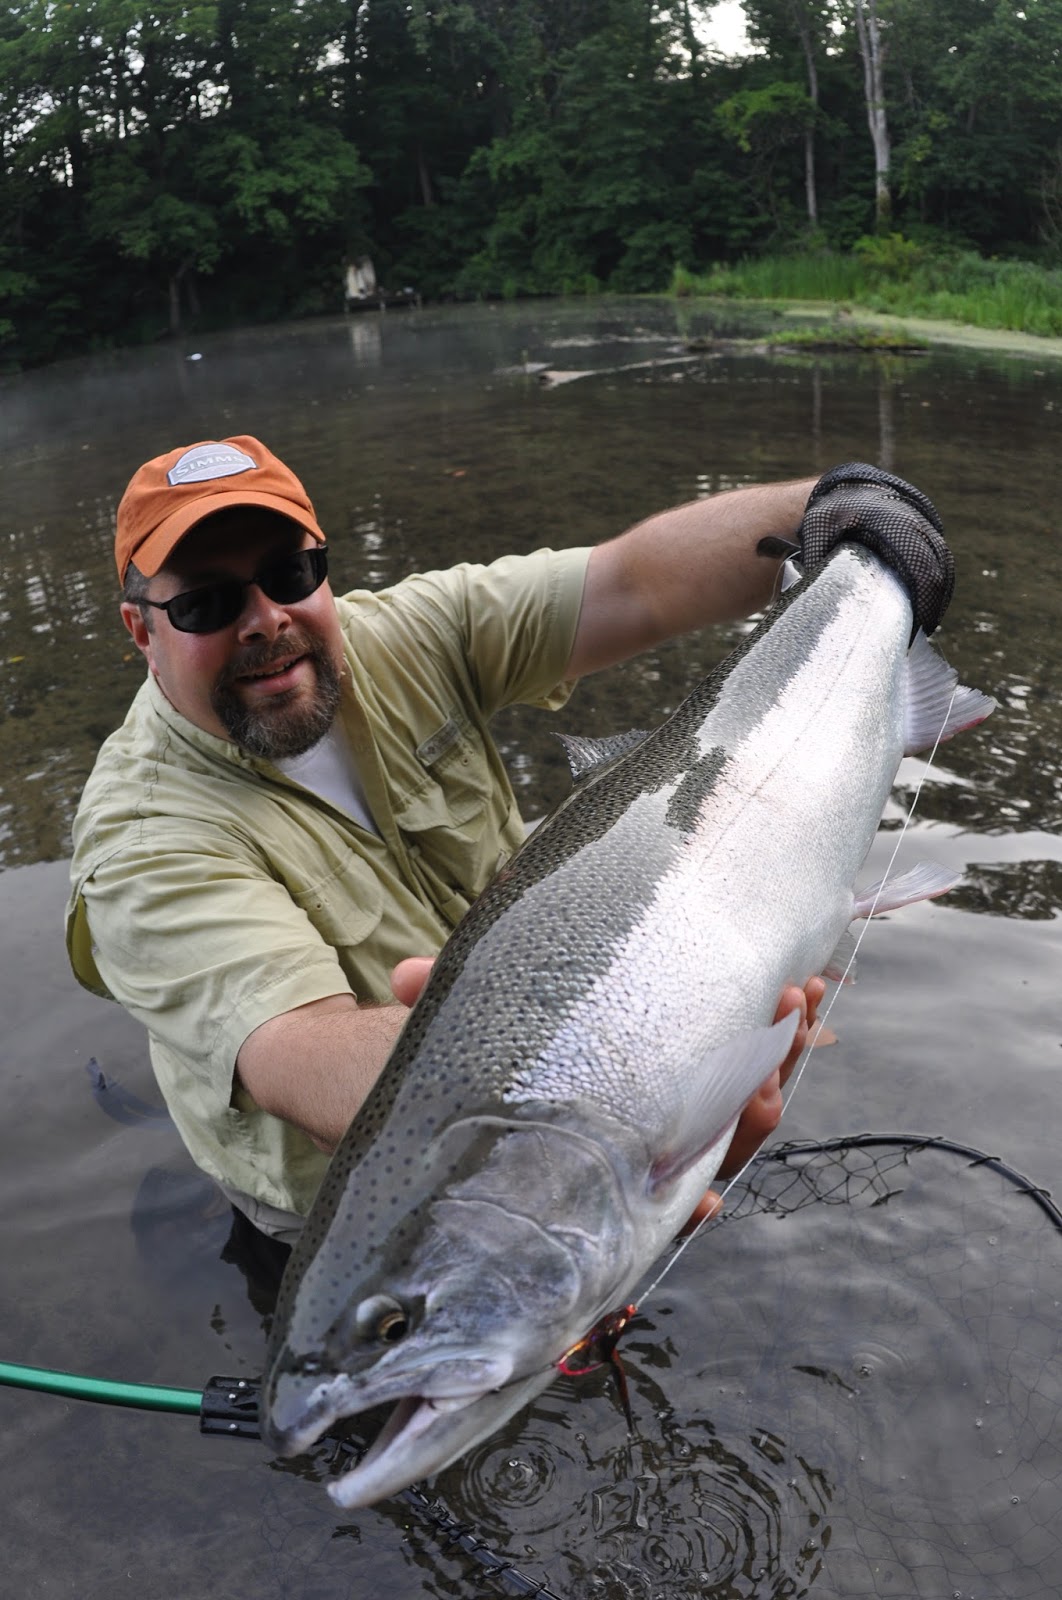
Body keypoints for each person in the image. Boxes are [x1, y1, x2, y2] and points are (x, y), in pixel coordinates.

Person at [68, 434, 830, 1247]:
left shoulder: (405, 635)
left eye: (291, 575)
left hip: (580, 1116)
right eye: (206, 605)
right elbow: (302, 1054)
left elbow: (633, 582)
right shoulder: (139, 842)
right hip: (353, 1223)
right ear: (141, 632)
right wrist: (632, 1086)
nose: (264, 621)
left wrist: (832, 512)